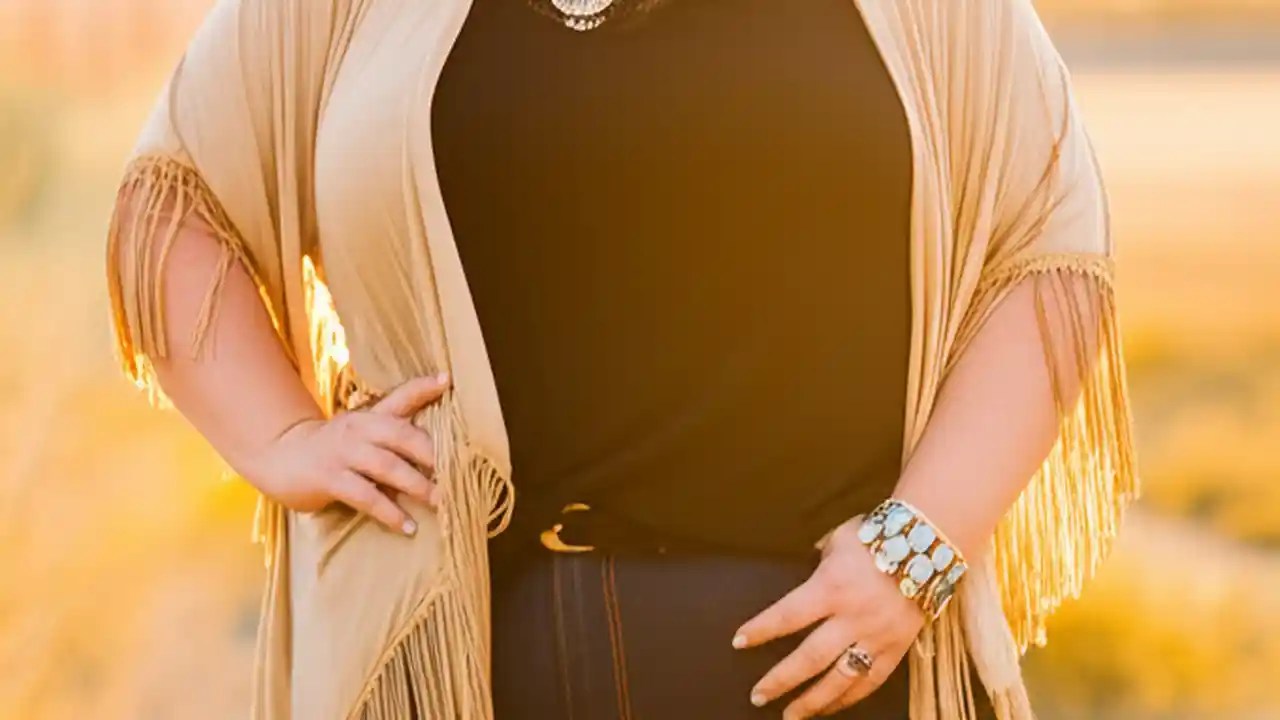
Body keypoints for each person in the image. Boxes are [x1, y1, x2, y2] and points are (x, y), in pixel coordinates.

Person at [104, 0, 1138, 718]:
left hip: (835, 665)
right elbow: (172, 204)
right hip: (467, 664)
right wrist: (285, 438)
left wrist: (920, 547)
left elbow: (1046, 249)